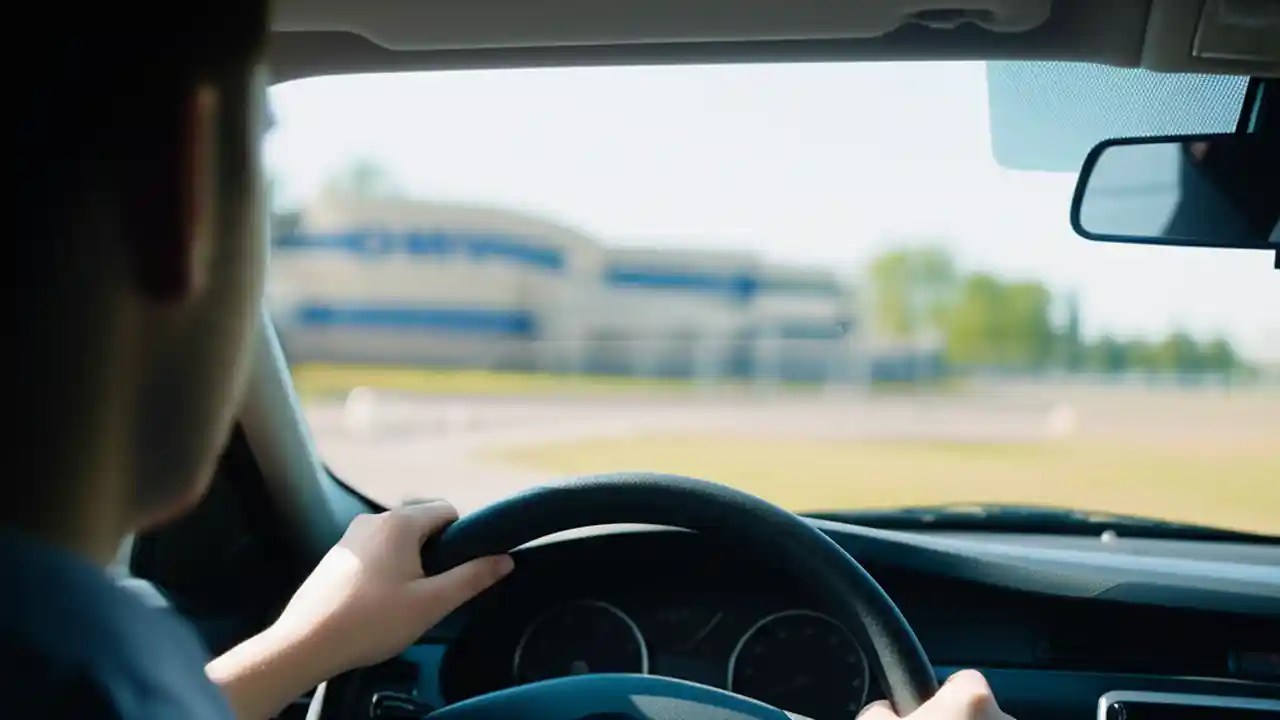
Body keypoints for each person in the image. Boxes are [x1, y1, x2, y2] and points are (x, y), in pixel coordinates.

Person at [7, 2, 1012, 718]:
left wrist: (305, 650)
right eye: (258, 152)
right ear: (179, 188)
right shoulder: (82, 660)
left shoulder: (66, 669)